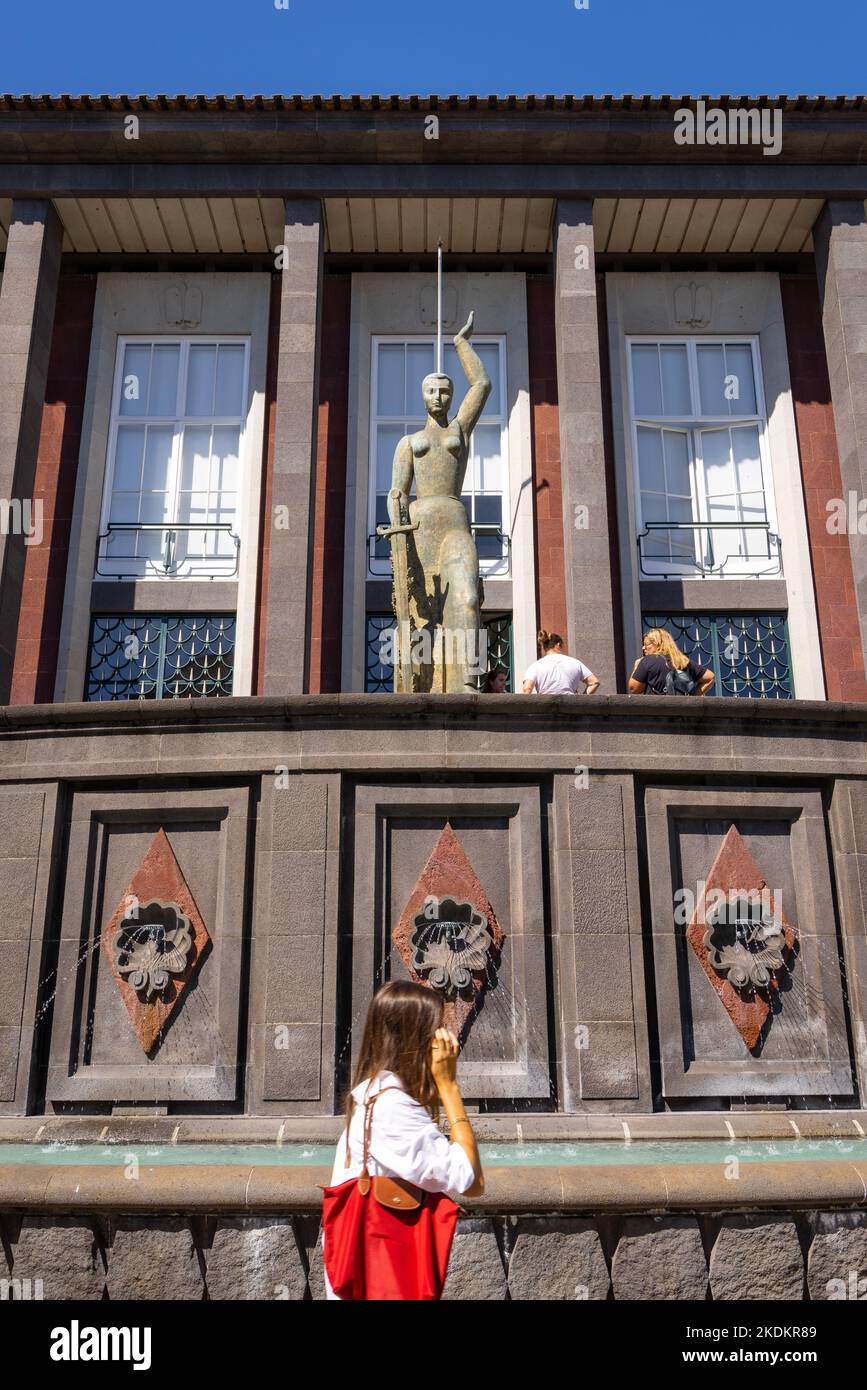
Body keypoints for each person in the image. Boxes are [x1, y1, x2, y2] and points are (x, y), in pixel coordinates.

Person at [324, 981, 484, 1301]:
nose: (447, 1042)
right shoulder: (392, 1108)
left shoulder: (371, 1095)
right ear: (416, 1039)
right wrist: (449, 1087)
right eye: (438, 1031)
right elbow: (471, 1180)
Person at [628, 627, 715, 696]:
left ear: (657, 644)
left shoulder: (647, 661)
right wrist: (694, 696)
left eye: (646, 644)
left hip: (657, 713)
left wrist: (636, 666)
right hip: (683, 713)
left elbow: (633, 689)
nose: (643, 648)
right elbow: (710, 677)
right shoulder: (684, 661)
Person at [522, 629, 600, 695]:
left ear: (545, 647)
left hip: (546, 709)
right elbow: (594, 682)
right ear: (558, 645)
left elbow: (527, 688)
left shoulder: (535, 666)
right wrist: (581, 699)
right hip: (570, 707)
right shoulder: (575, 663)